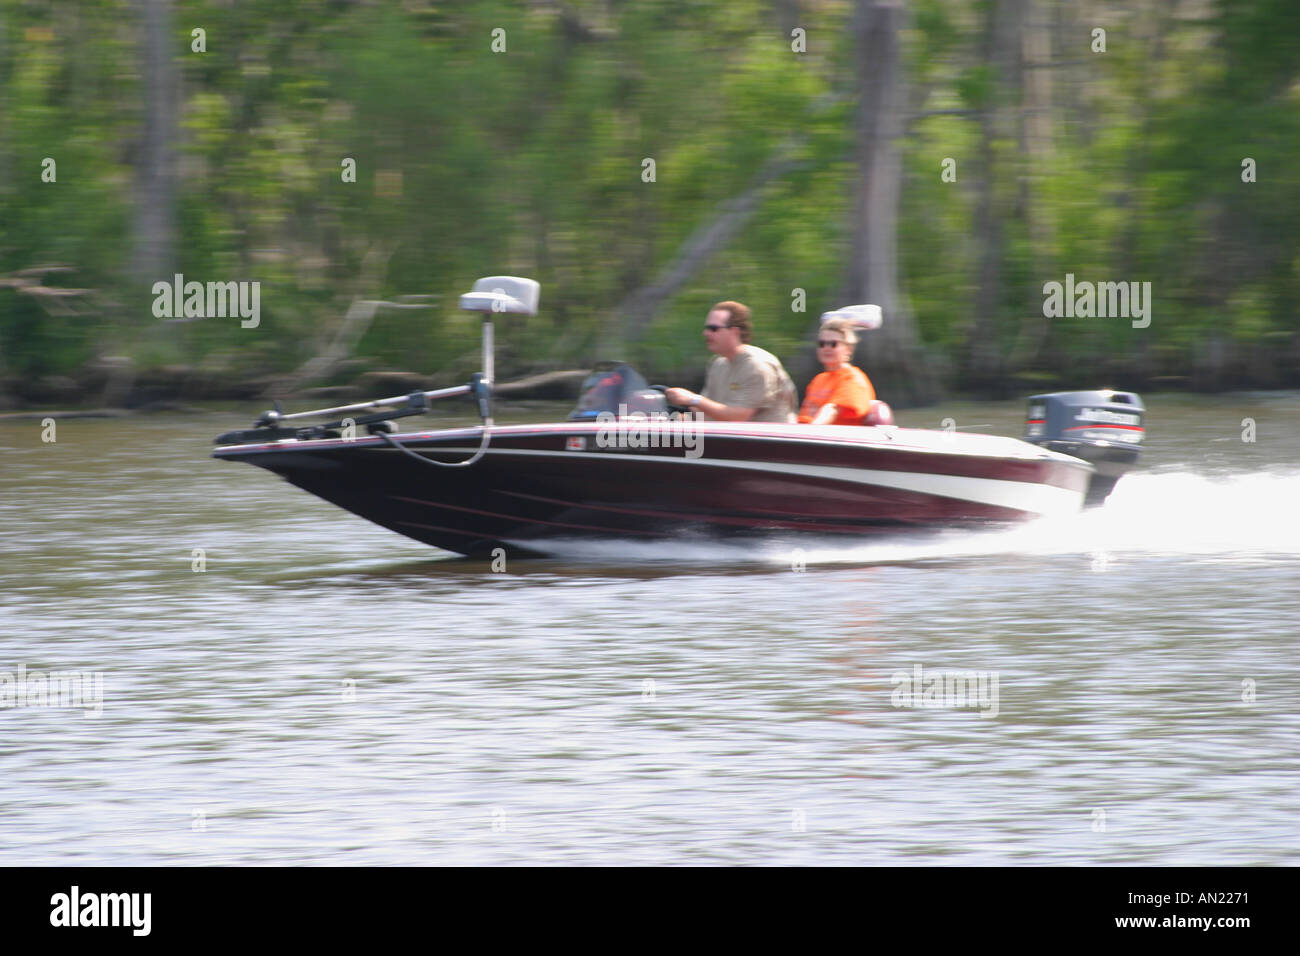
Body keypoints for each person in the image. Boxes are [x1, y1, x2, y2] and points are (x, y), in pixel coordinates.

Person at [664, 301, 797, 423]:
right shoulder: (718, 364)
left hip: (773, 445)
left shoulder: (757, 366)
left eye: (713, 328)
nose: (706, 333)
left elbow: (739, 416)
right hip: (735, 442)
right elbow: (705, 413)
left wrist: (694, 399)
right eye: (706, 328)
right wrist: (666, 416)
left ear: (734, 332)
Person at [797, 317, 876, 425]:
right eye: (821, 344)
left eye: (833, 344)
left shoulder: (852, 379)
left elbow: (832, 410)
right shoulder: (818, 380)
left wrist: (809, 432)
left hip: (834, 439)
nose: (826, 348)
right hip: (809, 436)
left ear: (848, 349)